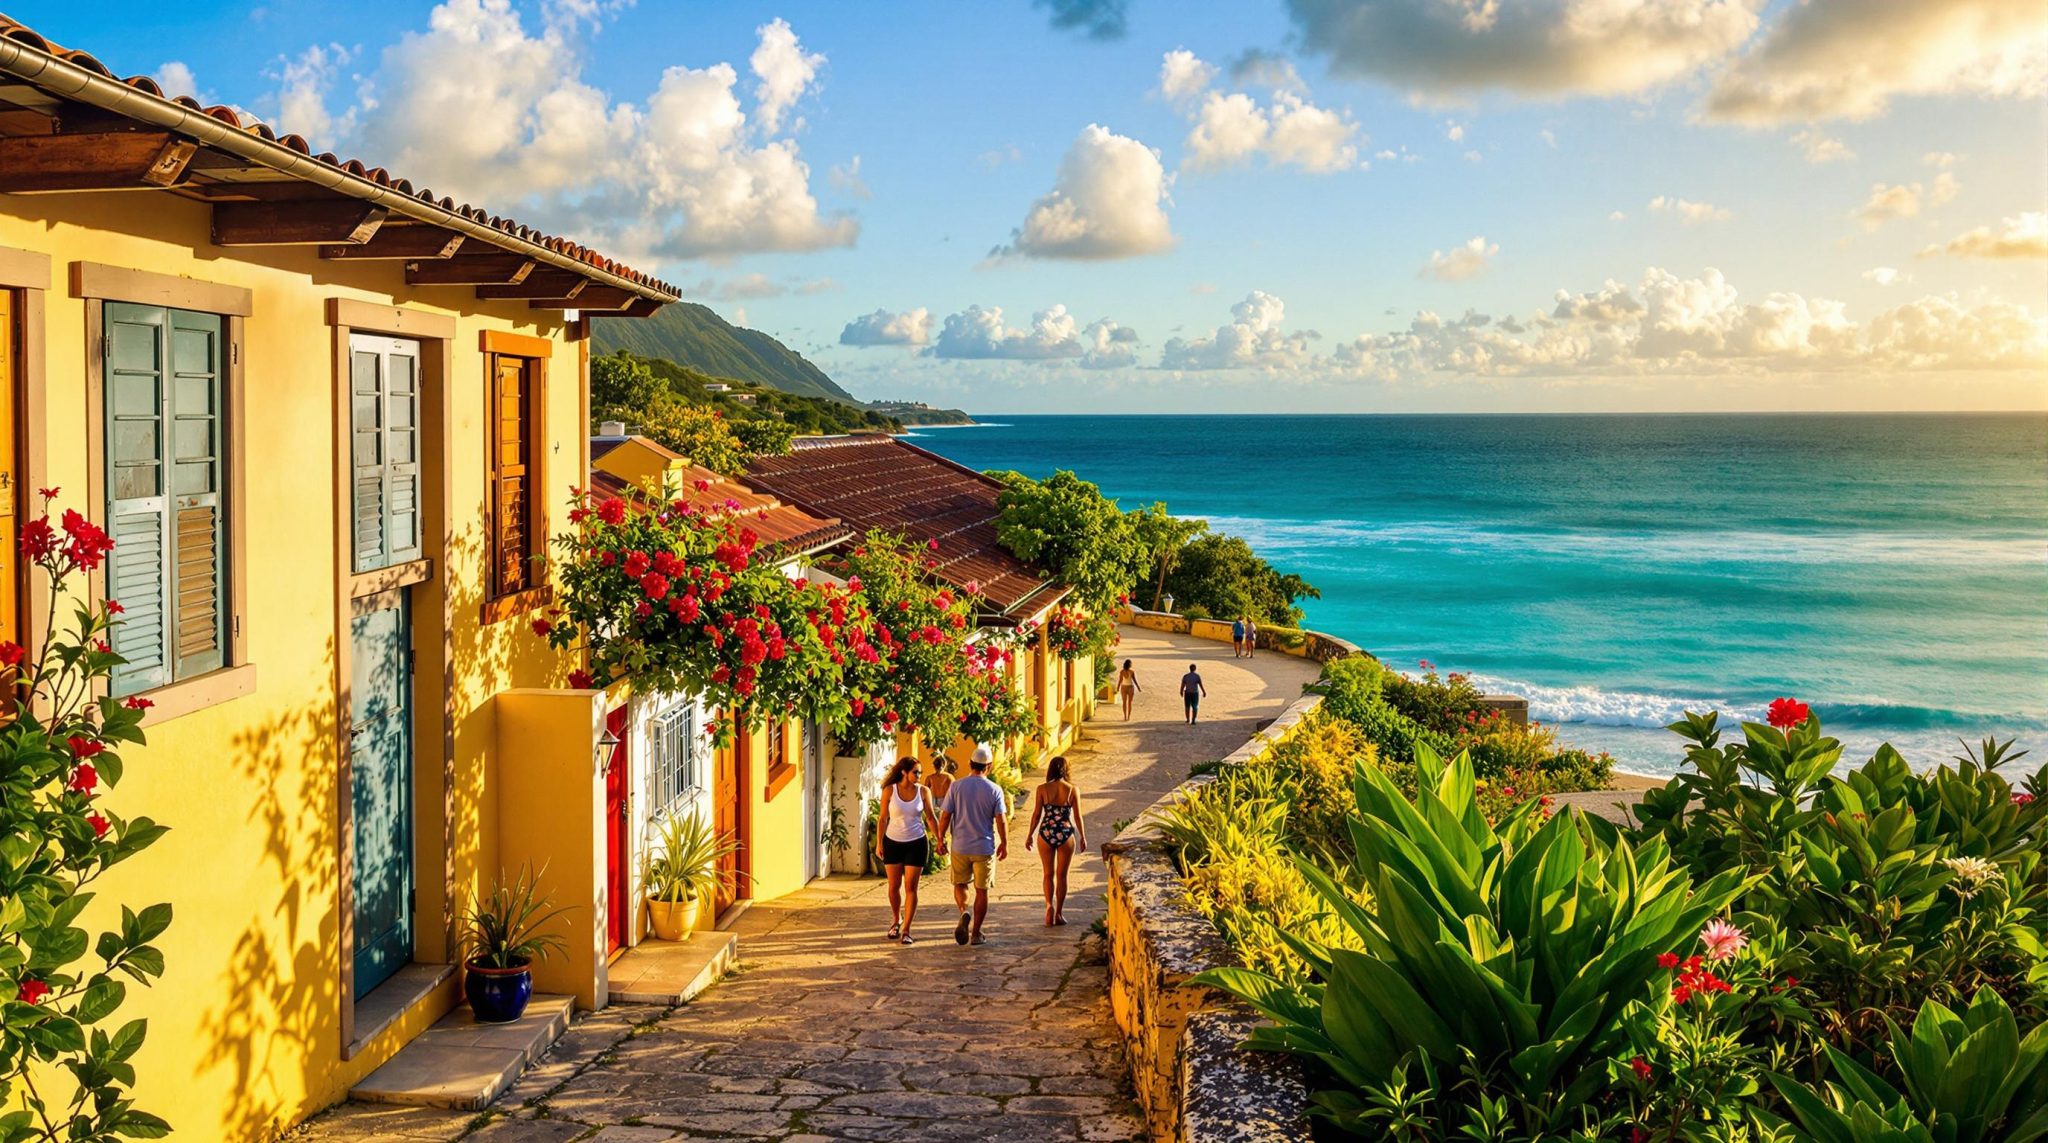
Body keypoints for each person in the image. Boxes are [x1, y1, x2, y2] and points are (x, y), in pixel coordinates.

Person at [935, 745, 1009, 946]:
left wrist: (940, 839)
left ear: (970, 764)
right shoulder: (995, 790)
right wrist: (1004, 843)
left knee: (960, 884)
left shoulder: (956, 786)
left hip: (960, 846)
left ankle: (964, 911)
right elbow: (1001, 820)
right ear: (989, 766)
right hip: (984, 848)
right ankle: (976, 934)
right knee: (982, 890)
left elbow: (945, 816)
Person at [873, 756, 938, 944]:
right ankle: (896, 920)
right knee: (893, 887)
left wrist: (940, 839)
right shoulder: (889, 791)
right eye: (915, 772)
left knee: (911, 887)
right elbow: (883, 818)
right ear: (904, 772)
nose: (919, 775)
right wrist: (879, 843)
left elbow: (931, 818)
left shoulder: (923, 791)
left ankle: (907, 930)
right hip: (893, 842)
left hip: (916, 842)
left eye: (920, 772)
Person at [1025, 756, 1087, 926]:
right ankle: (1059, 913)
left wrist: (1030, 834)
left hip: (1046, 832)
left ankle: (1048, 907)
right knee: (1062, 875)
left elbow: (1036, 814)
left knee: (1047, 873)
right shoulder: (1072, 789)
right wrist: (1082, 836)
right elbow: (1077, 816)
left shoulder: (1042, 789)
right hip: (1065, 832)